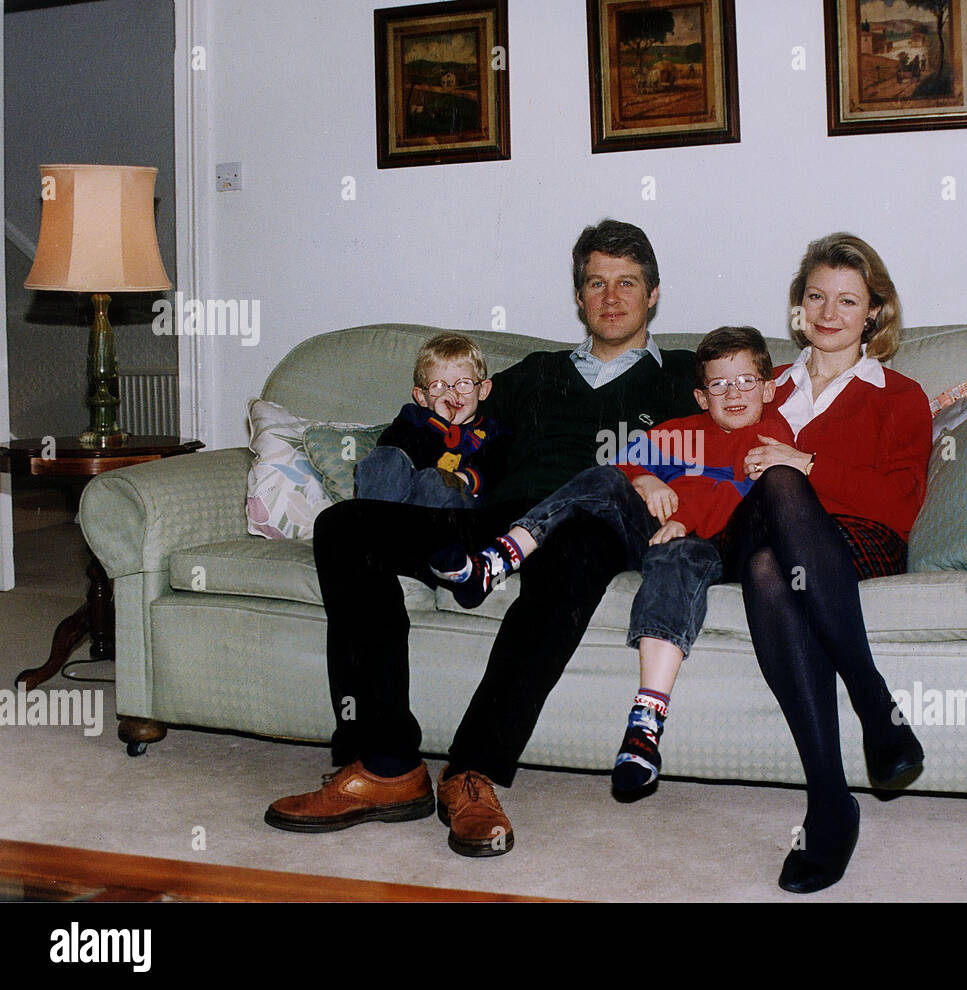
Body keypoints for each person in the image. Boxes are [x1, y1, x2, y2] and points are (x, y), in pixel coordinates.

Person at [264, 219, 700, 856]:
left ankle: (472, 771)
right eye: (596, 283)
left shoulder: (684, 377)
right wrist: (399, 449)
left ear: (654, 294)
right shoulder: (532, 374)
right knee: (344, 528)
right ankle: (388, 765)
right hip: (500, 519)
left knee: (576, 545)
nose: (611, 297)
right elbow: (444, 429)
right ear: (578, 297)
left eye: (627, 283)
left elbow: (743, 429)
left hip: (599, 526)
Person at [431, 327, 793, 795]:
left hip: (711, 544)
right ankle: (500, 558)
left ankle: (645, 728)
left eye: (746, 382)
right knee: (600, 476)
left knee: (676, 560)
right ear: (702, 397)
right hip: (649, 526)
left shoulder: (773, 434)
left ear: (768, 387)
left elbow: (742, 492)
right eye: (720, 385)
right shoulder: (683, 430)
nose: (734, 394)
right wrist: (646, 482)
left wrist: (686, 520)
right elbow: (624, 464)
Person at [719, 232, 932, 894]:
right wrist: (767, 467)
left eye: (848, 299)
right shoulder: (761, 387)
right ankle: (875, 705)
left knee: (767, 570)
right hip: (750, 523)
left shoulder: (899, 396)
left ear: (875, 312)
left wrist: (806, 465)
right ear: (797, 307)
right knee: (773, 495)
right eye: (816, 296)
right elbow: (716, 469)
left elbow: (898, 503)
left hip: (853, 543)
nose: (829, 312)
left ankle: (829, 803)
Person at [354, 332, 505, 508]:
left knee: (434, 481)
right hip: (401, 504)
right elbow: (390, 453)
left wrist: (464, 479)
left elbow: (498, 465)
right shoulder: (413, 418)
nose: (452, 393)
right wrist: (439, 421)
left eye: (463, 383)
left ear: (483, 390)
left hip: (451, 511)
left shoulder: (491, 430)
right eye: (439, 386)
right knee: (385, 457)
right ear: (421, 397)